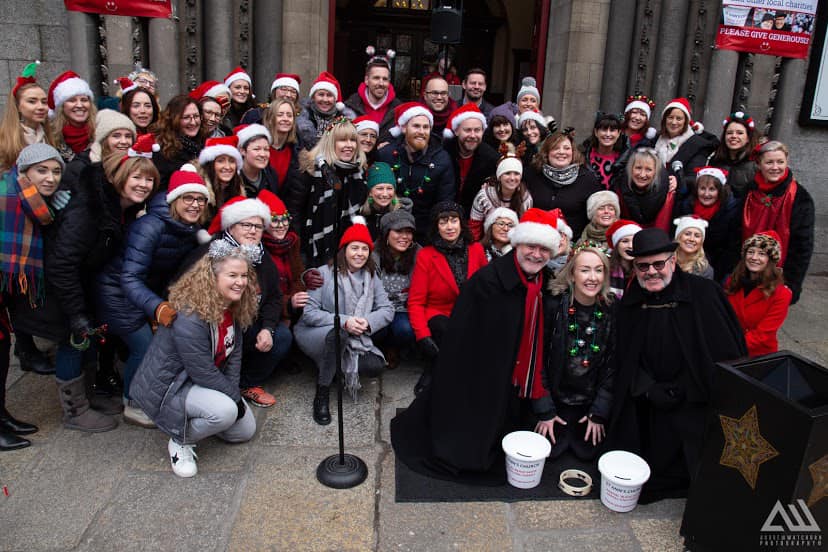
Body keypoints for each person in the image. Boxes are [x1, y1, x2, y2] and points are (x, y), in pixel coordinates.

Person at [391, 207, 561, 484]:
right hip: (478, 373)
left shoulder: (541, 282)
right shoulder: (488, 282)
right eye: (531, 246)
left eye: (544, 249)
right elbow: (466, 336)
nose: (537, 254)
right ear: (518, 245)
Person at [608, 228, 746, 498]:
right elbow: (623, 358)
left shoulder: (704, 294)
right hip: (650, 403)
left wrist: (686, 389)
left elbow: (725, 354)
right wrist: (647, 387)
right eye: (643, 266)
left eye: (658, 263)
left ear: (673, 261)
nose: (651, 271)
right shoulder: (631, 304)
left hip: (695, 401)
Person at [46, 140, 159, 432]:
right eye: (137, 177)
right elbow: (62, 263)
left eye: (149, 179)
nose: (144, 185)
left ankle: (91, 395)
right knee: (72, 344)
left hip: (85, 286)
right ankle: (75, 410)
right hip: (63, 289)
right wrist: (76, 312)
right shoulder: (89, 211)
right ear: (119, 177)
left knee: (89, 343)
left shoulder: (121, 208)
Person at [130, 241, 259, 478]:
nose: (241, 282)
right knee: (226, 412)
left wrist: (232, 392)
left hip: (201, 380)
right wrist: (233, 400)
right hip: (171, 386)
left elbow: (234, 357)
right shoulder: (190, 316)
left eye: (244, 275)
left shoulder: (233, 307)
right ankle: (180, 441)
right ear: (212, 276)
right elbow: (201, 372)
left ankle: (204, 416)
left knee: (243, 431)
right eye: (232, 275)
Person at [96, 167, 210, 427]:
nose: (194, 205)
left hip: (143, 293)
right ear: (174, 200)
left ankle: (151, 393)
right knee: (144, 347)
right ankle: (133, 404)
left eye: (200, 200)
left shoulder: (188, 226)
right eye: (188, 198)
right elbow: (129, 277)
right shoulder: (150, 226)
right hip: (116, 291)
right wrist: (157, 307)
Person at [192, 195, 290, 408]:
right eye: (246, 224)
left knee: (281, 336)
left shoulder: (262, 257)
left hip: (248, 325)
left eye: (258, 226)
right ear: (231, 226)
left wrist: (268, 328)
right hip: (215, 326)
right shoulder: (212, 253)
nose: (253, 230)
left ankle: (248, 383)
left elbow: (273, 297)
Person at [294, 218, 394, 424]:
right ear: (344, 250)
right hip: (317, 332)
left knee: (374, 366)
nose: (359, 253)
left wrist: (367, 322)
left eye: (364, 249)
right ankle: (322, 392)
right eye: (354, 248)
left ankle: (330, 365)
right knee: (338, 334)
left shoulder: (372, 275)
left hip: (353, 336)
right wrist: (345, 321)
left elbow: (387, 309)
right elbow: (309, 314)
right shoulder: (323, 274)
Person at [0, 144, 67, 449]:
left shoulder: (34, 202)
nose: (50, 178)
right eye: (42, 170)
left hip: (6, 286)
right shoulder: (8, 196)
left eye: (55, 171)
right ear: (24, 171)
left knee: (2, 351)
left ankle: (1, 415)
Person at [539, 245, 616, 461]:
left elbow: (613, 366)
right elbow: (538, 361)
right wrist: (544, 410)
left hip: (588, 405)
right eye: (585, 270)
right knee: (548, 453)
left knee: (589, 454)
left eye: (599, 270)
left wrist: (599, 412)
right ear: (572, 274)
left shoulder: (611, 309)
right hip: (555, 402)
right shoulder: (553, 306)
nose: (593, 277)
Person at [407, 201, 488, 394]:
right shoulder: (426, 255)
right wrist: (422, 336)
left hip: (470, 312)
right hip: (440, 313)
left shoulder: (476, 249)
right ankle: (434, 367)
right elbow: (416, 301)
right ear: (436, 226)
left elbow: (487, 288)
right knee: (445, 328)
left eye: (454, 220)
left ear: (461, 224)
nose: (450, 226)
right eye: (443, 222)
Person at [286, 117, 368, 266]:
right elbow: (295, 216)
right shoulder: (309, 171)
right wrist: (301, 257)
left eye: (353, 140)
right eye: (342, 140)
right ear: (330, 143)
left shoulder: (359, 173)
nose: (349, 145)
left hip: (349, 253)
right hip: (314, 251)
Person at [742, 140, 814, 304]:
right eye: (769, 162)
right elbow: (735, 230)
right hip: (746, 268)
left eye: (780, 162)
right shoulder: (749, 191)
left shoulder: (799, 197)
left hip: (777, 276)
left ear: (786, 162)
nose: (775, 167)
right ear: (759, 164)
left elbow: (802, 246)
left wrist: (792, 284)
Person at [375, 102, 455, 244]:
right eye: (416, 126)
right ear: (404, 128)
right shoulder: (385, 155)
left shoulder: (442, 159)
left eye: (426, 127)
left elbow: (444, 202)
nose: (422, 131)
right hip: (389, 230)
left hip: (425, 235)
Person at [524, 130, 603, 238]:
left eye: (566, 148)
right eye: (556, 148)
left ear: (573, 152)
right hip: (534, 239)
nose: (561, 152)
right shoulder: (532, 174)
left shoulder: (587, 179)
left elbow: (596, 215)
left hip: (571, 244)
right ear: (547, 152)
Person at [726, 231, 792, 358]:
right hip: (728, 348)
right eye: (750, 252)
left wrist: (730, 345)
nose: (754, 258)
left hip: (756, 355)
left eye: (761, 254)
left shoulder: (782, 294)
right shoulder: (732, 282)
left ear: (771, 260)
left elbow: (763, 334)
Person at [258, 190, 318, 328]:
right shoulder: (259, 248)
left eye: (284, 219)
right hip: (268, 315)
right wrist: (287, 303)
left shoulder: (292, 242)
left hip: (292, 308)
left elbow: (298, 278)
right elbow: (264, 293)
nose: (281, 225)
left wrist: (295, 297)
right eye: (274, 220)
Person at [673, 166, 742, 280]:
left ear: (720, 191)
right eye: (702, 188)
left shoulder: (731, 210)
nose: (706, 194)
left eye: (712, 189)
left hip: (719, 262)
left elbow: (731, 246)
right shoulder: (686, 206)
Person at [371, 209, 421, 368]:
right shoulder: (372, 253)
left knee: (405, 330)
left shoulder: (419, 253)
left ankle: (393, 347)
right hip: (377, 306)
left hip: (403, 308)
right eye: (399, 231)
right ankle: (377, 348)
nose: (404, 237)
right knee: (377, 329)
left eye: (408, 232)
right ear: (386, 233)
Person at [653, 97, 719, 199]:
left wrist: (678, 181)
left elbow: (694, 178)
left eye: (679, 119)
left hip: (680, 200)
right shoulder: (655, 140)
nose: (674, 122)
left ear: (686, 121)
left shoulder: (697, 145)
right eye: (670, 117)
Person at [442, 104, 499, 216]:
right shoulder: (444, 152)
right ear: (457, 131)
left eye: (477, 130)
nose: (473, 135)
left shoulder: (491, 159)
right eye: (467, 130)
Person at [61, 109, 136, 193]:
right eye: (116, 136)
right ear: (103, 140)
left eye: (128, 136)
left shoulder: (135, 165)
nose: (124, 141)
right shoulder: (80, 167)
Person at [0, 61, 56, 172]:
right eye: (32, 101)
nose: (40, 107)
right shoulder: (5, 142)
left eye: (44, 102)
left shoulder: (52, 138)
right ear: (18, 106)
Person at [468, 145, 531, 240]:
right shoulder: (484, 196)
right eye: (507, 173)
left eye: (516, 174)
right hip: (487, 242)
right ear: (499, 176)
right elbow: (474, 225)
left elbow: (525, 229)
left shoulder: (526, 198)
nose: (512, 178)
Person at [612, 147, 677, 231]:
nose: (642, 175)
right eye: (638, 168)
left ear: (655, 172)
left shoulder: (668, 193)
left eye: (648, 170)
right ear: (631, 169)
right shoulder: (619, 189)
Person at [152, 94, 205, 188]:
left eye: (196, 116)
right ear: (173, 119)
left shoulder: (202, 143)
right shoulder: (162, 149)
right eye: (186, 117)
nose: (193, 122)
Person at [344, 57, 401, 141]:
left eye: (385, 79)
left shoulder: (399, 109)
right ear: (367, 80)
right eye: (376, 78)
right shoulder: (350, 106)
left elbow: (403, 140)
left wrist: (391, 147)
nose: (381, 83)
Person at [296, 72, 356, 150]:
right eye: (321, 94)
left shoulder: (343, 119)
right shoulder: (302, 118)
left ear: (335, 99)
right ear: (313, 97)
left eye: (329, 95)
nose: (325, 99)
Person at [707, 112, 760, 198]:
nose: (734, 136)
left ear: (748, 138)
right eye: (729, 133)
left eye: (740, 133)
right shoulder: (715, 160)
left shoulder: (755, 164)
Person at [48, 71, 96, 162]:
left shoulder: (102, 134)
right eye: (72, 100)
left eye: (84, 100)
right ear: (62, 106)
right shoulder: (50, 138)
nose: (79, 105)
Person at [360, 161, 413, 241]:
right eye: (380, 188)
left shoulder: (403, 214)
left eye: (389, 188)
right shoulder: (360, 214)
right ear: (370, 192)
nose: (385, 194)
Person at [197, 135, 244, 220]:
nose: (227, 167)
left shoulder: (237, 189)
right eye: (220, 161)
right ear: (210, 165)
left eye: (232, 161)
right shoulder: (199, 191)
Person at [261, 98, 302, 194]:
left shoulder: (297, 150)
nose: (285, 119)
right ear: (270, 119)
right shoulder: (259, 149)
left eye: (289, 115)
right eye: (280, 115)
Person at [582, 112, 625, 188]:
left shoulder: (624, 160)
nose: (608, 134)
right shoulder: (583, 156)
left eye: (612, 130)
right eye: (604, 130)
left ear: (619, 133)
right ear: (596, 132)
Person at [235, 123, 279, 197]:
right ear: (243, 151)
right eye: (256, 149)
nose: (262, 154)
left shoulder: (271, 175)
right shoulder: (234, 178)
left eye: (266, 149)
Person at [605, 219, 642, 299]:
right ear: (617, 245)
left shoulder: (645, 269)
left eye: (634, 241)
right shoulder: (606, 269)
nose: (630, 246)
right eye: (625, 241)